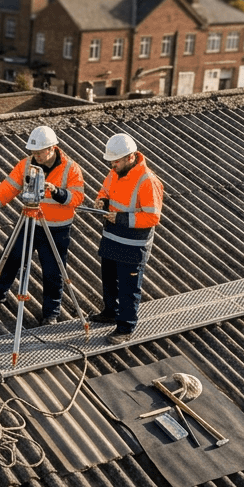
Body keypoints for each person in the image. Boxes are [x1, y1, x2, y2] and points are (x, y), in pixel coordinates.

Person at [0, 125, 85, 324]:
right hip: (29, 222)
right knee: (10, 258)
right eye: (33, 152)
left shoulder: (70, 168)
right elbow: (8, 188)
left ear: (52, 149)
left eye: (39, 152)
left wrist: (57, 192)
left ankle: (51, 313)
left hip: (56, 229)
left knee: (53, 272)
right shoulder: (26, 164)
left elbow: (77, 197)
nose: (35, 156)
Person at [92, 133, 164, 344]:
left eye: (116, 160)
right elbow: (105, 190)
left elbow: (152, 216)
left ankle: (125, 327)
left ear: (130, 157)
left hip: (132, 245)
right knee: (109, 280)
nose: (112, 165)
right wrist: (102, 201)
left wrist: (122, 218)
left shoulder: (148, 181)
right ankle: (110, 312)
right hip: (112, 238)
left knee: (128, 288)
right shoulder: (115, 172)